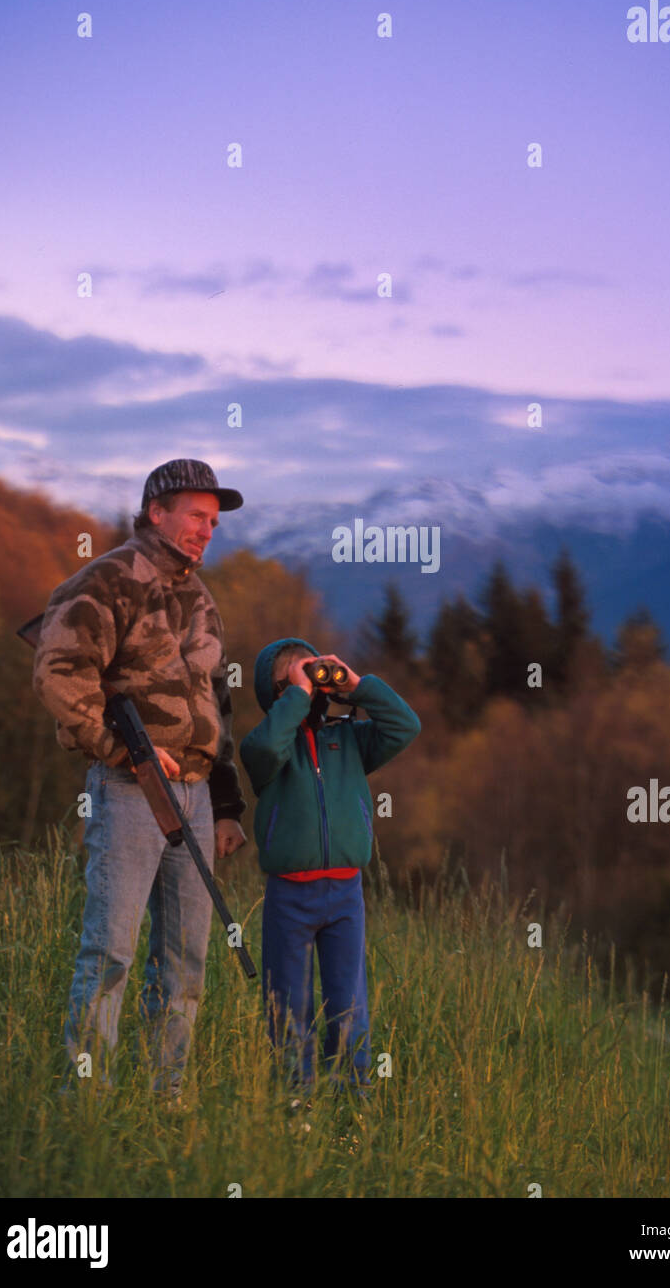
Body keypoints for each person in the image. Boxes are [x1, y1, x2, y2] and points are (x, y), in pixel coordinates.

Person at [32, 459, 247, 1099]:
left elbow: (219, 707)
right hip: (130, 792)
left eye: (213, 521)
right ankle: (86, 1105)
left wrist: (228, 804)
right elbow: (58, 672)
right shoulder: (107, 581)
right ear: (157, 511)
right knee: (111, 954)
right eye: (195, 516)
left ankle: (165, 1102)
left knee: (185, 963)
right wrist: (118, 748)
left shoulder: (201, 597)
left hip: (200, 796)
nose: (206, 530)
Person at [239, 638, 420, 1093]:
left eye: (313, 675)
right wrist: (296, 696)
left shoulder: (349, 740)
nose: (311, 685)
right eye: (295, 678)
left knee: (349, 1004)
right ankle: (295, 1103)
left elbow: (405, 725)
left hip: (345, 894)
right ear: (278, 693)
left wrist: (358, 687)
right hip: (289, 896)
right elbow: (261, 753)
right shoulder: (269, 747)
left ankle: (352, 1102)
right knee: (288, 1005)